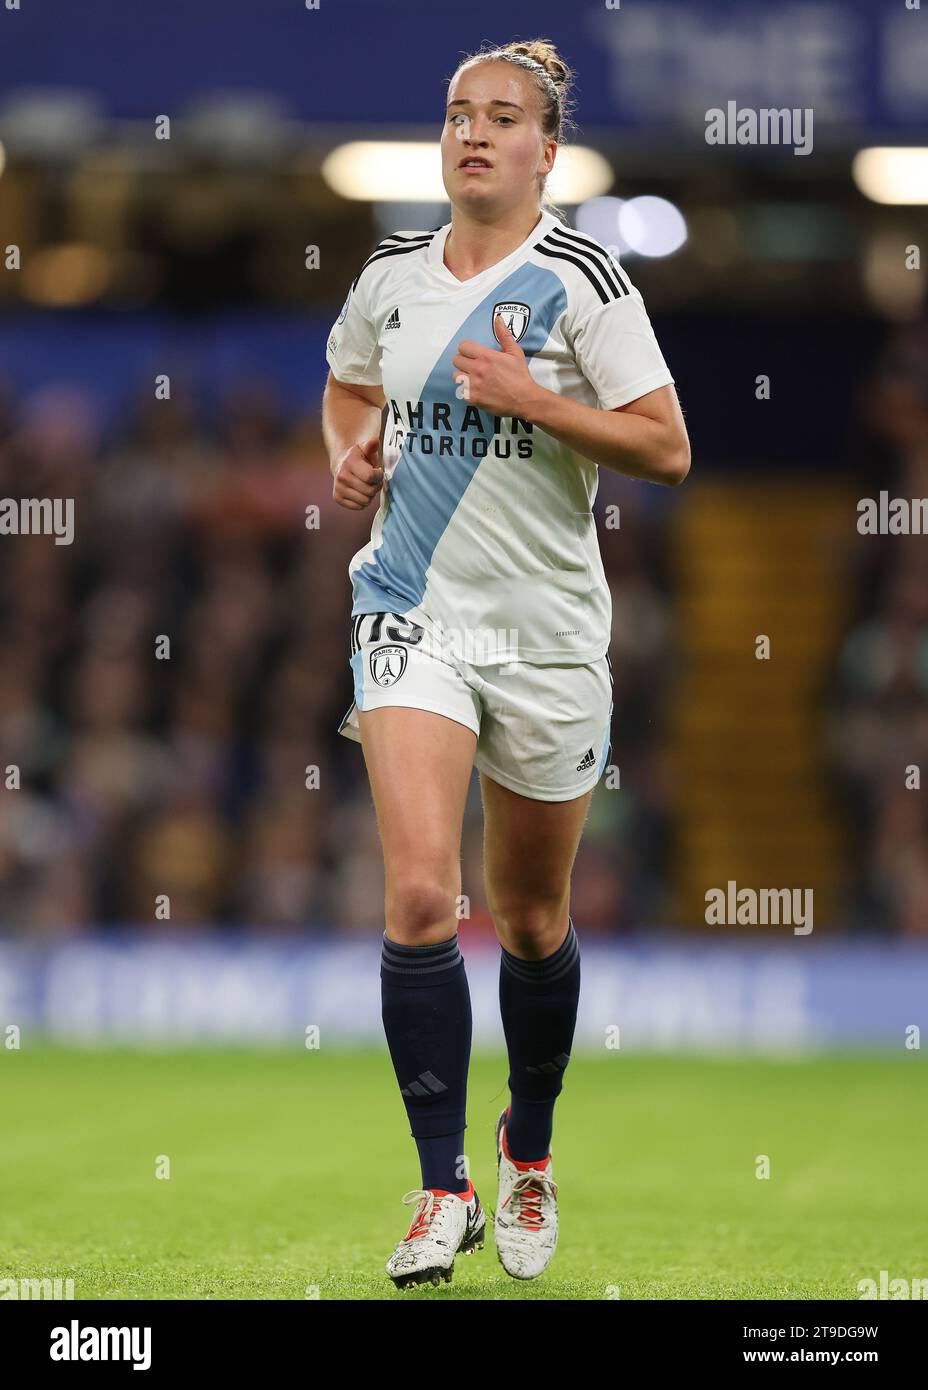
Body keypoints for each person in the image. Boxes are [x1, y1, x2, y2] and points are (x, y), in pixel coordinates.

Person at [321, 36, 690, 1289]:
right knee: (425, 897)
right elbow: (347, 384)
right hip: (411, 610)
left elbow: (665, 449)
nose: (472, 133)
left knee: (530, 922)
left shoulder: (584, 277)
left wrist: (535, 400)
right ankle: (442, 1190)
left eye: (500, 118)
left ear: (544, 150)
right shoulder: (387, 272)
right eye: (456, 114)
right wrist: (351, 451)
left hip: (544, 637)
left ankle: (525, 1151)